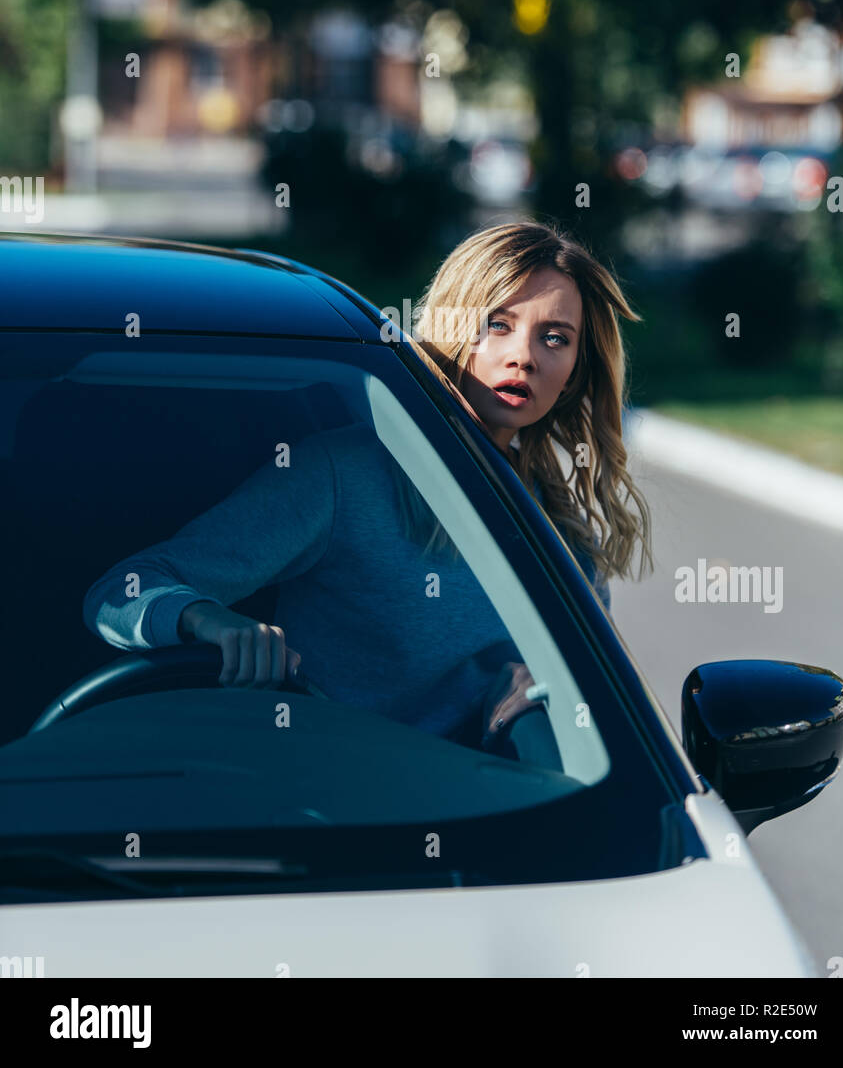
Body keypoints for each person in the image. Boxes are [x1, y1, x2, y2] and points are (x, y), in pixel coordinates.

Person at [83, 220, 651, 750]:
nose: (523, 357)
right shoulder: (345, 476)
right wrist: (210, 620)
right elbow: (120, 592)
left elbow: (603, 722)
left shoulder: (565, 536)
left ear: (576, 369)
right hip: (332, 811)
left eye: (555, 338)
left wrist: (557, 685)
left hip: (498, 824)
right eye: (496, 324)